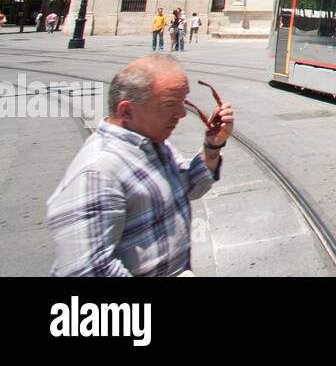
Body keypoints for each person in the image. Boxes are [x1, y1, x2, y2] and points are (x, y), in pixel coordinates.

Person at [45, 55, 233, 276]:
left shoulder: (152, 144)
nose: (182, 113)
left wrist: (212, 146)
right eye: (169, 105)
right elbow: (85, 271)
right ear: (127, 111)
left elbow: (191, 187)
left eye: (184, 102)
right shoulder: (97, 172)